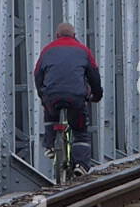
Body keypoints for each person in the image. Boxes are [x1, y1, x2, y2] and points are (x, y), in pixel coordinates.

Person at [34, 23, 103, 174]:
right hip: (76, 97)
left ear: (57, 36)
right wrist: (97, 95)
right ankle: (81, 165)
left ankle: (50, 144)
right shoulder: (83, 50)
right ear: (74, 35)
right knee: (80, 131)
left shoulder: (47, 50)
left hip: (52, 97)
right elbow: (94, 75)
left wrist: (42, 95)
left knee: (49, 111)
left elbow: (38, 74)